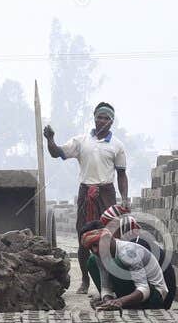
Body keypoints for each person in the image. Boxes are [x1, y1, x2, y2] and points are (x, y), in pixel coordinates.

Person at [44, 102, 128, 294]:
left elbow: (122, 174)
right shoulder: (81, 142)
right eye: (100, 117)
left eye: (107, 118)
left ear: (112, 121)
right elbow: (57, 152)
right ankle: (84, 280)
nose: (103, 121)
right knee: (83, 236)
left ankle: (110, 281)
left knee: (110, 236)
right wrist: (50, 139)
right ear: (95, 118)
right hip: (85, 193)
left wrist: (124, 198)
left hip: (106, 193)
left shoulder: (117, 146)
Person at [82, 216, 176, 311]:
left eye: (96, 245)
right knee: (92, 260)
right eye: (91, 248)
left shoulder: (128, 252)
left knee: (116, 263)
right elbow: (106, 287)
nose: (94, 250)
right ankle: (120, 302)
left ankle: (125, 303)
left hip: (156, 297)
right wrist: (108, 300)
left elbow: (144, 289)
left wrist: (121, 301)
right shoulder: (100, 255)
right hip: (136, 292)